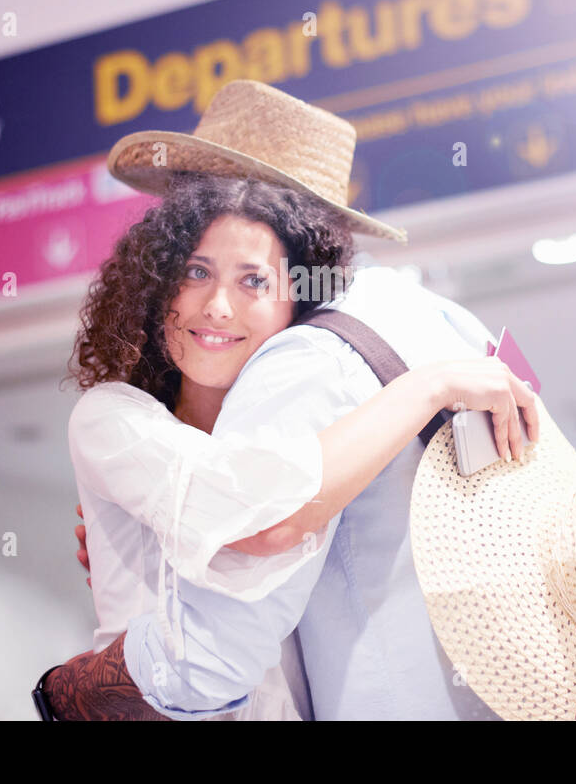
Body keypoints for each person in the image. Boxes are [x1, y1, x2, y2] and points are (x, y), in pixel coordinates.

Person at [58, 171, 537, 721]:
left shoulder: (302, 432)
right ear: (158, 285)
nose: (217, 306)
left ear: (297, 310)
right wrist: (428, 387)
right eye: (196, 272)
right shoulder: (110, 415)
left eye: (254, 282)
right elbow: (263, 517)